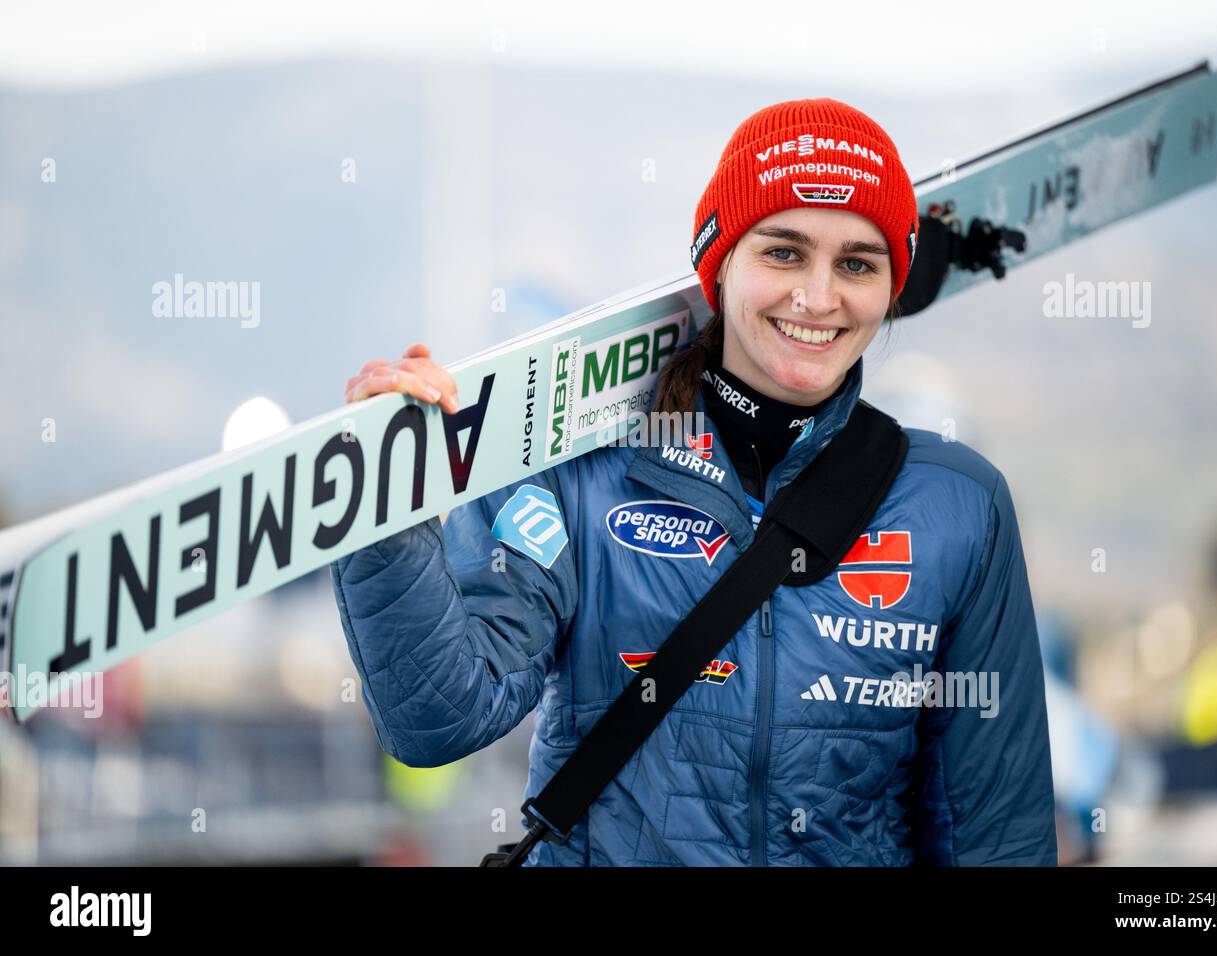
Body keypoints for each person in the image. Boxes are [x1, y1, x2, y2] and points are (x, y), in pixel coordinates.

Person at [331, 98, 1058, 866]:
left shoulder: (956, 504)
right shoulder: (581, 471)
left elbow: (996, 833)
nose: (818, 297)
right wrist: (389, 506)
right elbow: (438, 719)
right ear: (721, 264)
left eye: (856, 264)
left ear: (889, 288)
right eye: (784, 253)